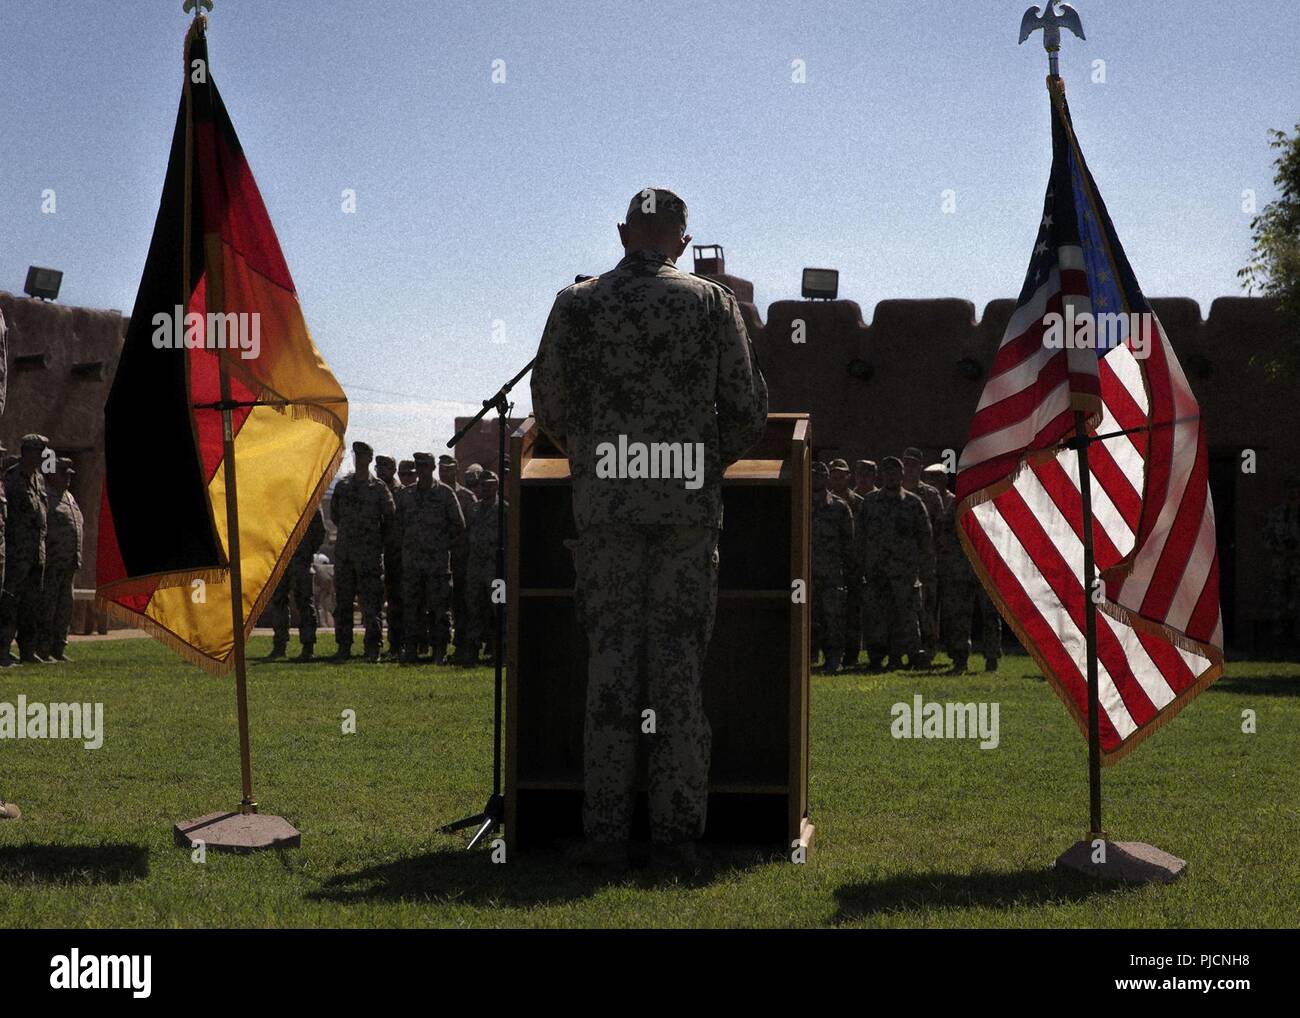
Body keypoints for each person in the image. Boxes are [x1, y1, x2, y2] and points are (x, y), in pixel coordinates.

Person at [531, 186, 768, 868]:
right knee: (678, 671)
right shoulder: (711, 303)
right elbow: (747, 409)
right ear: (683, 241)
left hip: (605, 515)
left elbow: (549, 404)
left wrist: (600, 463)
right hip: (686, 521)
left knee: (609, 666)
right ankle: (676, 839)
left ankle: (604, 835)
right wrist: (694, 465)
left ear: (621, 232)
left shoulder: (576, 303)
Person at [859, 456, 931, 670]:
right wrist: (861, 565)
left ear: (901, 475)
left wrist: (925, 570)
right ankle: (876, 658)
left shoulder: (913, 503)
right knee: (877, 616)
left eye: (895, 472)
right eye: (887, 472)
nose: (891, 475)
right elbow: (859, 537)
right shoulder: (870, 502)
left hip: (904, 572)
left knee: (906, 617)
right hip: (876, 571)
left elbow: (925, 538)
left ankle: (904, 656)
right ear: (882, 475)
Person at [329, 441, 395, 662]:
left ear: (369, 459)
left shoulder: (378, 488)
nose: (359, 459)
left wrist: (375, 542)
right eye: (356, 455)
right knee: (344, 602)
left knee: (371, 604)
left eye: (363, 456)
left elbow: (389, 519)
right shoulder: (343, 486)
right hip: (346, 555)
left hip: (369, 555)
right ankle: (343, 646)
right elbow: (335, 515)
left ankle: (373, 647)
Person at [397, 452, 465, 664]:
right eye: (419, 466)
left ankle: (440, 650)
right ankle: (411, 650)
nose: (422, 470)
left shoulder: (445, 494)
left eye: (426, 466)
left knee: (439, 610)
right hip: (412, 563)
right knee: (412, 608)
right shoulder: (406, 495)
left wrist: (442, 546)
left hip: (437, 564)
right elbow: (397, 525)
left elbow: (459, 526)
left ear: (433, 468)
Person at [0, 435, 50, 665]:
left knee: (32, 604)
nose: (42, 455)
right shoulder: (13, 478)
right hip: (17, 553)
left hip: (36, 553)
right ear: (26, 451)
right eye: (38, 451)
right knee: (11, 603)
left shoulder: (38, 478)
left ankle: (28, 651)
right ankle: (3, 649)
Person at [811, 461, 855, 673]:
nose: (816, 477)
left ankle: (833, 660)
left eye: (821, 474)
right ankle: (807, 660)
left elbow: (849, 544)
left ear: (827, 478)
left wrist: (849, 574)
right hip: (804, 575)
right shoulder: (798, 502)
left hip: (831, 575)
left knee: (832, 619)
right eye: (813, 474)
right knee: (807, 618)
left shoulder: (839, 507)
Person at [901, 446, 942, 668]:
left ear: (920, 466)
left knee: (927, 607)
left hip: (925, 562)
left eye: (913, 464)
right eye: (906, 463)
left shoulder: (930, 494)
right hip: (902, 563)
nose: (909, 468)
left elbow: (940, 528)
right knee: (907, 608)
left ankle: (929, 650)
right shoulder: (893, 492)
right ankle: (910, 650)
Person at [267, 507, 326, 661]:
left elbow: (320, 532)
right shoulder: (276, 502)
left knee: (304, 603)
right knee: (279, 601)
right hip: (280, 560)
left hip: (301, 561)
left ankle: (308, 647)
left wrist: (306, 552)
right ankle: (279, 646)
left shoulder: (310, 502)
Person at [39, 457, 82, 663]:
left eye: (69, 475)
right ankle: (44, 648)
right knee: (48, 607)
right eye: (63, 474)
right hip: (52, 563)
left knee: (65, 607)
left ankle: (59, 647)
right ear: (52, 474)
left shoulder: (69, 497)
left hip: (69, 564)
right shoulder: (46, 497)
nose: (67, 478)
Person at [461, 469, 503, 665]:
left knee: (499, 610)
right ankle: (472, 652)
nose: (486, 488)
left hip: (497, 571)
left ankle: (500, 652)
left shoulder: (504, 510)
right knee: (474, 609)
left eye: (490, 484)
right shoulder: (474, 509)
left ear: (496, 486)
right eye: (483, 484)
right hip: (475, 569)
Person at [438, 454, 477, 663]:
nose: (445, 474)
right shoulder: (432, 494)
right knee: (441, 604)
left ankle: (463, 647)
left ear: (456, 470)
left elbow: (472, 529)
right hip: (438, 559)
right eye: (442, 470)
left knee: (462, 605)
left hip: (461, 560)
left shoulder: (467, 497)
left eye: (449, 470)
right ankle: (439, 647)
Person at [375, 454, 405, 658]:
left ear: (393, 470)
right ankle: (388, 644)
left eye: (384, 468)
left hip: (399, 555)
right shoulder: (375, 490)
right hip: (379, 553)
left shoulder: (402, 493)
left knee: (399, 601)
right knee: (385, 601)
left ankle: (399, 644)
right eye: (378, 467)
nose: (380, 471)